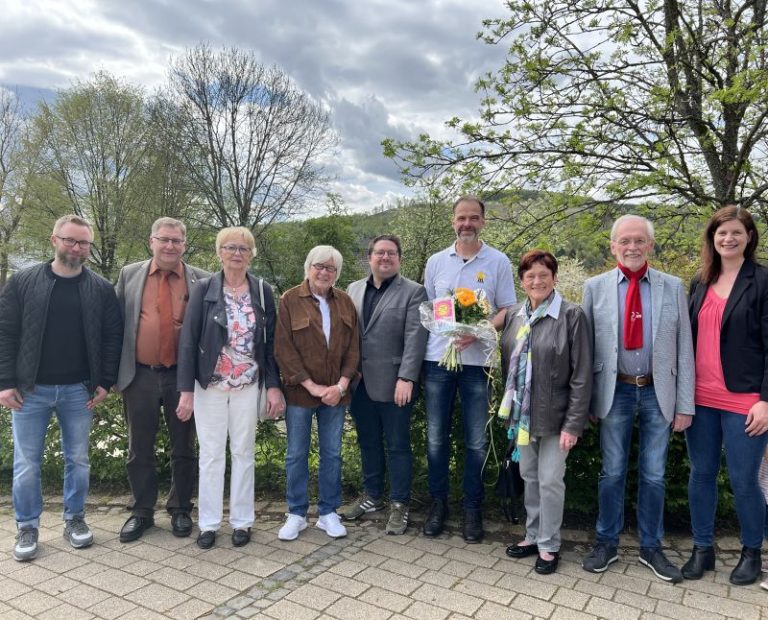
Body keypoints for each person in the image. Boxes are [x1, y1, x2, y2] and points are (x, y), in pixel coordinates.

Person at [0, 214, 123, 561]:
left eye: (83, 242)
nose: (77, 247)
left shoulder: (100, 288)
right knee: (26, 463)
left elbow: (112, 337)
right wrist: (5, 382)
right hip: (30, 390)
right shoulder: (23, 282)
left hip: (78, 390)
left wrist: (105, 381)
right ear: (54, 240)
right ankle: (27, 526)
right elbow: (6, 333)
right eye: (70, 240)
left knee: (78, 460)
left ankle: (75, 520)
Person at [581, 214, 694, 583]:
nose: (631, 247)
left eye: (639, 241)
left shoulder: (672, 286)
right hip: (614, 392)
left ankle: (651, 547)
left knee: (655, 475)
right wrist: (587, 401)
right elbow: (584, 349)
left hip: (658, 392)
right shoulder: (594, 287)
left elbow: (684, 350)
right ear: (612, 246)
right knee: (611, 472)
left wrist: (684, 404)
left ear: (650, 245)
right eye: (624, 241)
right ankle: (606, 542)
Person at [177, 227, 283, 549]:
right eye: (230, 247)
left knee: (243, 453)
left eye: (243, 248)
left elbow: (271, 346)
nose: (237, 254)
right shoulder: (203, 289)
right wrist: (186, 390)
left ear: (251, 254)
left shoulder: (263, 291)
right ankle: (208, 524)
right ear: (219, 252)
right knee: (210, 455)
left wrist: (274, 386)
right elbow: (188, 341)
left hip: (248, 384)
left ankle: (242, 522)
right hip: (209, 385)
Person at [422, 196, 516, 542]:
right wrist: (450, 328)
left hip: (479, 363)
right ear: (453, 222)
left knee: (476, 441)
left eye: (474, 218)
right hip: (438, 360)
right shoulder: (435, 262)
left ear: (483, 223)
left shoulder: (498, 261)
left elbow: (507, 308)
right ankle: (438, 504)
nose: (467, 224)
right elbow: (432, 308)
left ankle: (472, 508)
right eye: (461, 218)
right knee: (436, 438)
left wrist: (478, 329)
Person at [683, 205, 768, 585]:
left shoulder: (763, 281)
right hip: (700, 398)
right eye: (721, 233)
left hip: (744, 401)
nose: (728, 239)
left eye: (736, 232)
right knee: (700, 475)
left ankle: (752, 551)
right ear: (712, 238)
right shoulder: (700, 280)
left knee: (743, 480)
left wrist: (766, 400)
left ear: (749, 237)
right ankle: (703, 550)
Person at [115, 217, 208, 543]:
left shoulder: (202, 281)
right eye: (163, 240)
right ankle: (141, 512)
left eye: (176, 241)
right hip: (139, 374)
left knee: (184, 447)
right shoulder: (129, 275)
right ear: (151, 241)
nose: (170, 246)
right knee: (139, 448)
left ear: (184, 244)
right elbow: (116, 327)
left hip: (182, 379)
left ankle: (181, 508)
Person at [502, 250, 591, 574]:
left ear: (554, 278)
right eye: (530, 276)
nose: (537, 281)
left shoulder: (571, 315)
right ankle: (532, 535)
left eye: (543, 275)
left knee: (551, 480)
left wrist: (573, 424)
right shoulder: (515, 315)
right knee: (529, 476)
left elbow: (581, 375)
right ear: (522, 281)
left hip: (557, 418)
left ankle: (549, 545)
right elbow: (506, 365)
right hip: (523, 419)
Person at [341, 235, 428, 534]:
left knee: (398, 446)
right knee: (367, 442)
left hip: (395, 384)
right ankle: (372, 496)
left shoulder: (414, 292)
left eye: (391, 253)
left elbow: (415, 338)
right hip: (359, 383)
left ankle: (400, 504)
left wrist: (407, 378)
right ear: (370, 257)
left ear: (399, 258)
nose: (385, 258)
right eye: (380, 253)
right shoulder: (352, 289)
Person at [274, 245, 359, 541]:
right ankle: (296, 513)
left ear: (337, 274)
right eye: (319, 266)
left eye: (331, 268)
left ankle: (327, 513)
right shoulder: (289, 300)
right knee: (296, 454)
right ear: (308, 267)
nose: (324, 272)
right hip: (300, 393)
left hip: (336, 394)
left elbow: (353, 348)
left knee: (332, 454)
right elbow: (283, 348)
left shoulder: (346, 302)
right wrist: (311, 385)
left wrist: (341, 385)